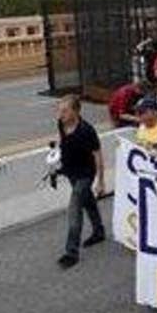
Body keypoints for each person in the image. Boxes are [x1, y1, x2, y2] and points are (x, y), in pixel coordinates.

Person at [54, 95, 105, 269]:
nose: (60, 115)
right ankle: (99, 231)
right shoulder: (61, 124)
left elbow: (98, 156)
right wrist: (59, 161)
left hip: (85, 174)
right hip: (71, 172)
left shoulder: (87, 130)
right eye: (59, 111)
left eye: (64, 111)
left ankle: (71, 252)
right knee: (88, 202)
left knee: (75, 209)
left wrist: (100, 181)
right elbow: (64, 142)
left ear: (76, 111)